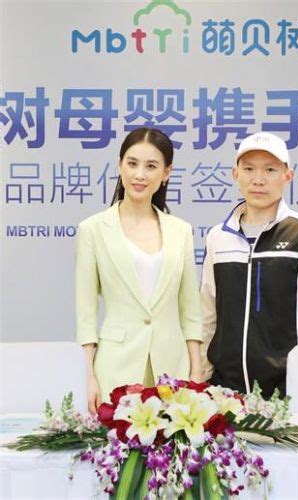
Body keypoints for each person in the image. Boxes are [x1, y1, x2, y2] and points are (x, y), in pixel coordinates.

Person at [200, 132, 298, 399]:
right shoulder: (218, 237)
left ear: (288, 175)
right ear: (235, 174)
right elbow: (207, 311)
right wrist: (202, 377)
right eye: (249, 169)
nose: (258, 179)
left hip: (289, 392)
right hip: (224, 393)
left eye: (270, 170)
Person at [76, 127, 204, 413]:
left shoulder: (181, 231)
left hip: (173, 368)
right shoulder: (93, 229)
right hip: (115, 367)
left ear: (166, 173)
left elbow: (190, 311)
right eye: (132, 163)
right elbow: (86, 315)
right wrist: (88, 375)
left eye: (151, 166)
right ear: (120, 165)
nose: (139, 175)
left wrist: (196, 372)